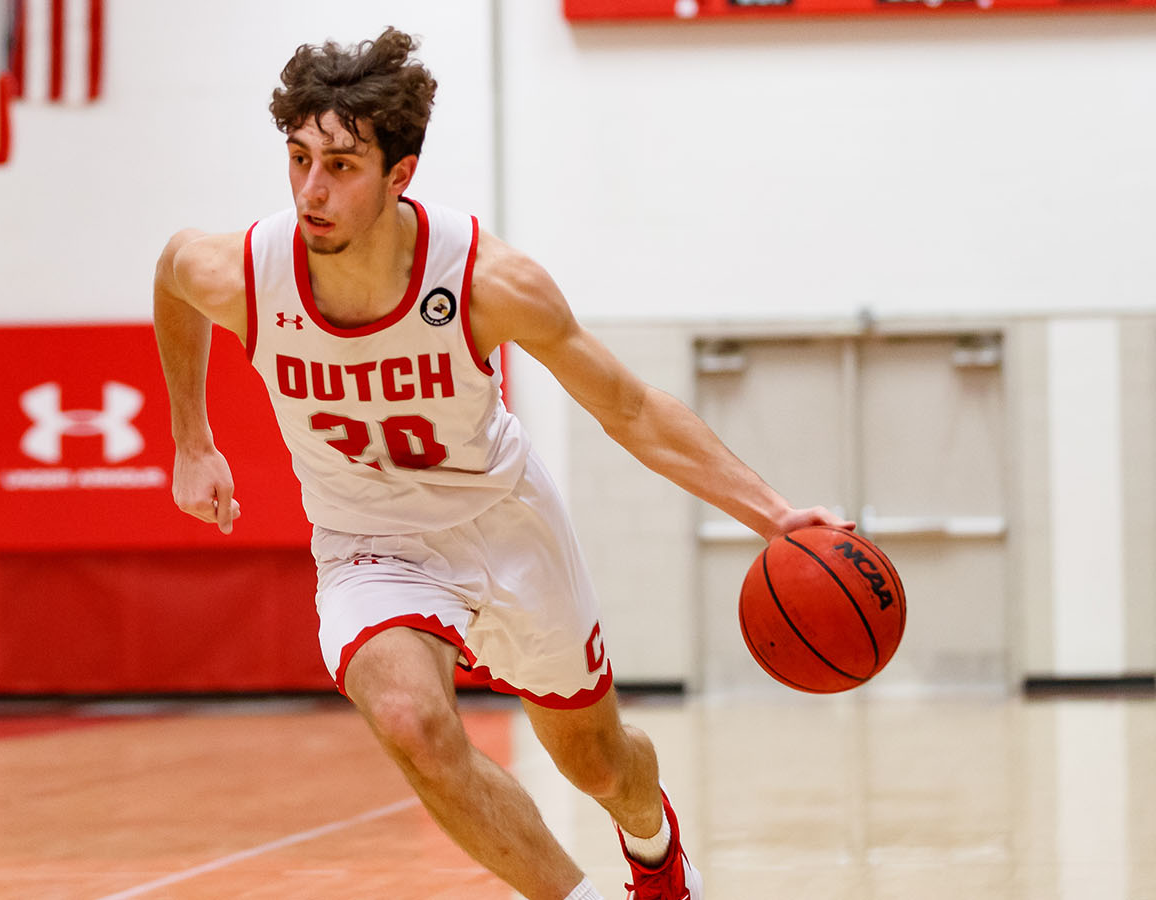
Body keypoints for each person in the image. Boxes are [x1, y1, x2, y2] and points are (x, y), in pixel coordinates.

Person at [154, 29, 848, 900]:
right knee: (412, 721)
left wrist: (773, 513)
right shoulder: (245, 271)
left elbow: (629, 408)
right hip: (370, 540)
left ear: (401, 174)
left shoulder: (488, 281)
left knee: (598, 763)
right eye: (297, 159)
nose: (310, 190)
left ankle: (653, 842)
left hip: (505, 524)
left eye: (339, 165)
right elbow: (172, 278)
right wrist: (193, 439)